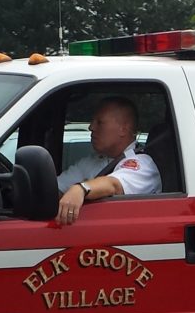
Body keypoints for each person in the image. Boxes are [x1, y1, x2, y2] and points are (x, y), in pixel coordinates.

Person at [56, 96, 161, 225]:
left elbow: (114, 185)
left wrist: (80, 189)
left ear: (123, 129)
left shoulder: (142, 164)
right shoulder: (92, 161)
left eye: (99, 122)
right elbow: (57, 189)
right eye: (92, 121)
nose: (91, 127)